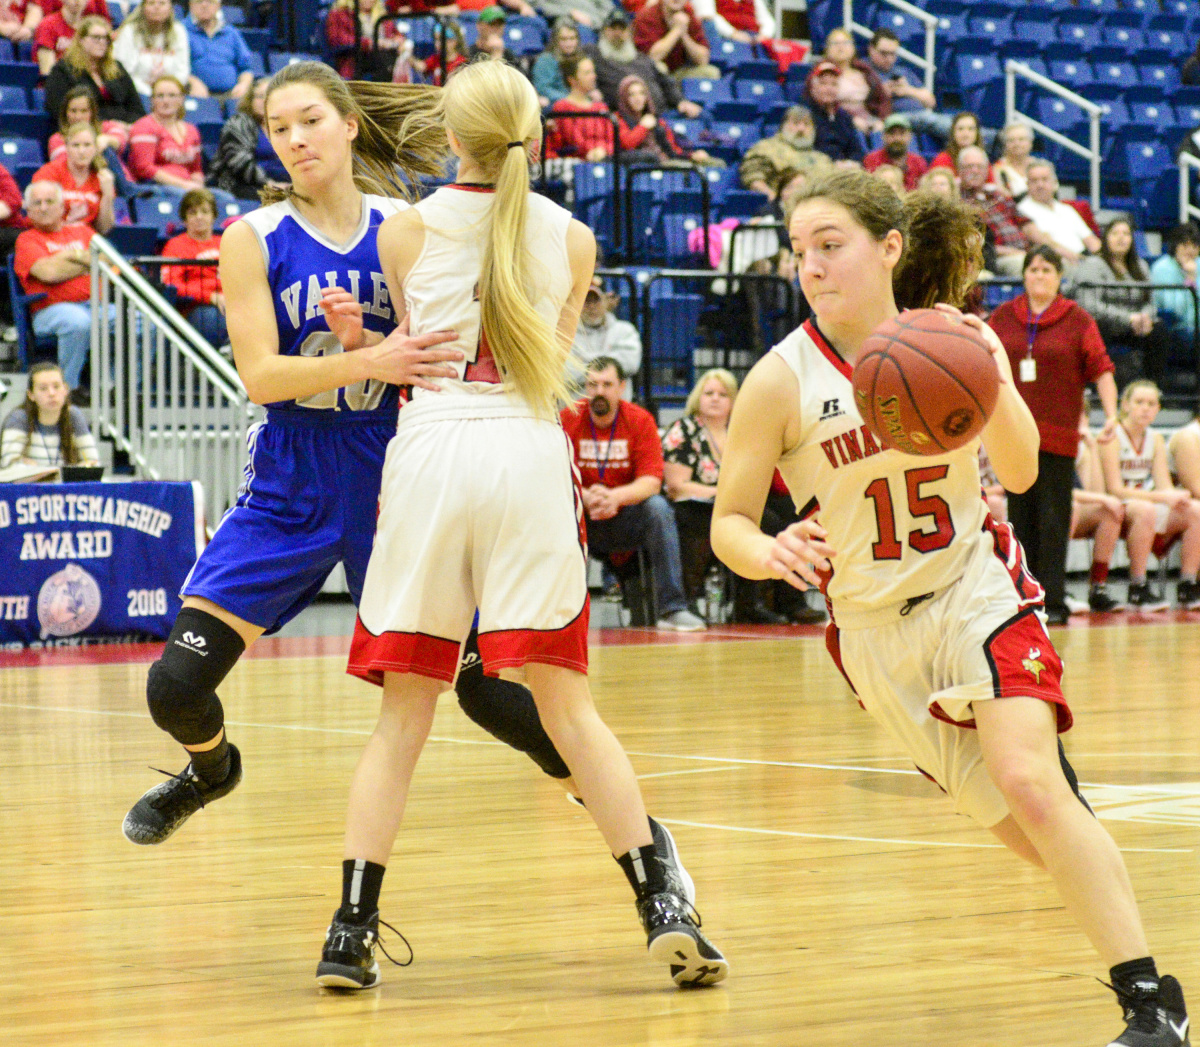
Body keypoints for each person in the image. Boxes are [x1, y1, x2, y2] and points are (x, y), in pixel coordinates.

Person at [710, 167, 1191, 1047]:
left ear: (889, 247)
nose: (811, 266)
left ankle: (1150, 1005)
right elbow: (728, 523)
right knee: (1030, 830)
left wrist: (989, 374)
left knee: (1030, 784)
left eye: (831, 245)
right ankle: (1149, 969)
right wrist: (771, 550)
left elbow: (1015, 474)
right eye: (800, 251)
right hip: (873, 636)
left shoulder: (958, 342)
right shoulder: (779, 381)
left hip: (975, 586)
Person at [340, 59, 726, 989]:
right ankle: (660, 903)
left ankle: (350, 930)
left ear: (451, 137)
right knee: (568, 705)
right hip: (522, 450)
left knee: (403, 718)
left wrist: (358, 343)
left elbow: (409, 354)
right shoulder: (574, 236)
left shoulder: (403, 230)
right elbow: (543, 362)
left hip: (434, 449)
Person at [988, 245, 1118, 625]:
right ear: (1024, 275)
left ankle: (1054, 601)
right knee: (1019, 519)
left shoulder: (1077, 319)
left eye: (1046, 269)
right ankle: (1023, 600)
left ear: (1060, 276)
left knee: (1053, 519)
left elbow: (1101, 367)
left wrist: (1111, 414)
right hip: (1012, 435)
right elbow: (981, 356)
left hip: (1057, 437)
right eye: (1033, 269)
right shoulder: (1004, 316)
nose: (1038, 275)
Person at [562, 356, 708, 631]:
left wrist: (614, 498)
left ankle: (673, 609)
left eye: (607, 384)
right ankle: (559, 612)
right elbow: (553, 477)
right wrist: (584, 496)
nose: (600, 391)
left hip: (625, 516)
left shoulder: (639, 420)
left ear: (621, 387)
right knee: (552, 508)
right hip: (581, 515)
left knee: (658, 508)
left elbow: (652, 482)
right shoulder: (568, 417)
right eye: (593, 385)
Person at [662, 368, 788, 623]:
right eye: (709, 393)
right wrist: (719, 492)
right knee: (696, 522)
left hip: (731, 505)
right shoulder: (683, 429)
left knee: (770, 519)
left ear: (734, 401)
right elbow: (677, 486)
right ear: (698, 397)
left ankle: (750, 604)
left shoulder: (741, 430)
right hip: (693, 507)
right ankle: (687, 602)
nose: (715, 398)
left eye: (723, 394)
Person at [1099, 380, 1200, 610]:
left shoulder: (1154, 438)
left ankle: (1188, 584)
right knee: (1146, 510)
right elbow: (1114, 488)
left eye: (1151, 403)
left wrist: (1177, 495)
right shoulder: (1111, 436)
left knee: (1195, 510)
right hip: (1115, 506)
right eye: (1139, 402)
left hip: (1144, 503)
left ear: (1158, 409)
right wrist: (1162, 497)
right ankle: (1138, 586)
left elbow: (1163, 484)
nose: (1145, 408)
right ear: (1124, 405)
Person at [13, 180, 98, 397]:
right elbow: (49, 273)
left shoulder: (83, 232)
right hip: (50, 311)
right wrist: (85, 264)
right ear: (28, 210)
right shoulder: (26, 240)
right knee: (78, 321)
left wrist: (69, 256)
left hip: (96, 305)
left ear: (62, 207)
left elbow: (108, 260)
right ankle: (68, 389)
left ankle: (115, 386)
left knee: (139, 321)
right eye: (37, 203)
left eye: (49, 201)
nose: (43, 207)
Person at [1070, 215, 1166, 388]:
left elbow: (1149, 300)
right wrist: (1128, 318)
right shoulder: (1093, 264)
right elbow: (1089, 306)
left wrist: (1145, 317)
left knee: (1159, 330)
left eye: (1126, 234)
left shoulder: (1140, 266)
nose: (1121, 238)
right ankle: (1095, 387)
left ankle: (1152, 388)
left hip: (1134, 326)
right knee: (1094, 329)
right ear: (1105, 239)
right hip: (1103, 324)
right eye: (1115, 233)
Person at [43, 15, 145, 138]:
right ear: (81, 39)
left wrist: (124, 125)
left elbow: (137, 109)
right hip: (83, 133)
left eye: (106, 38)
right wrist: (107, 125)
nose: (102, 42)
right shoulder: (63, 71)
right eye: (96, 38)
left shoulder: (117, 68)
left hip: (124, 130)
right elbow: (60, 111)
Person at [587, 9, 702, 118]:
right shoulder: (594, 55)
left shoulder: (642, 59)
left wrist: (680, 101)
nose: (617, 33)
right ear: (604, 31)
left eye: (622, 29)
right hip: (621, 119)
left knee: (702, 115)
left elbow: (666, 82)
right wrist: (591, 90)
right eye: (613, 28)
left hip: (659, 115)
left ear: (629, 32)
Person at [1069, 412, 1126, 613]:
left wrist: (1092, 448)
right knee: (1070, 508)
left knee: (1108, 512)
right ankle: (1055, 586)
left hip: (1069, 507)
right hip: (1032, 509)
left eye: (1083, 417)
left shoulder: (1081, 447)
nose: (1079, 422)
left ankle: (1098, 588)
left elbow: (1092, 492)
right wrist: (1103, 498)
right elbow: (1058, 492)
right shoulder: (1046, 442)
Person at [0, 360, 100, 469]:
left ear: (65, 390)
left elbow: (93, 462)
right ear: (31, 395)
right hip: (30, 485)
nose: (51, 393)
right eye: (43, 389)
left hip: (64, 485)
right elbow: (9, 466)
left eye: (56, 387)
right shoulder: (19, 418)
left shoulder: (73, 415)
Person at [161, 187, 225, 347]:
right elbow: (172, 284)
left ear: (214, 216)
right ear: (184, 219)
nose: (199, 217)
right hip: (195, 308)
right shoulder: (175, 245)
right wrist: (210, 297)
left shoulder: (226, 242)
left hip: (232, 302)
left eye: (205, 211)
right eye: (193, 213)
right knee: (212, 319)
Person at [957, 144, 1032, 278]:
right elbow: (981, 247)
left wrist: (1052, 247)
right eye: (969, 166)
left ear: (987, 171)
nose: (975, 171)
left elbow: (1027, 225)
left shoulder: (998, 196)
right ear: (959, 170)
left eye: (979, 167)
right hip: (996, 258)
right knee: (1027, 265)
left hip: (1025, 253)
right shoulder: (958, 201)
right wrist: (1015, 253)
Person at [864, 27, 950, 142]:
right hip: (892, 117)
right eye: (884, 53)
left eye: (893, 54)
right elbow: (858, 102)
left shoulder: (903, 71)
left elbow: (931, 101)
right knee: (930, 120)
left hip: (919, 117)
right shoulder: (863, 70)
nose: (889, 59)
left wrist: (907, 90)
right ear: (871, 49)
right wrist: (881, 92)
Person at [209, 75, 288, 200]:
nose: (265, 101)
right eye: (260, 97)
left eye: (270, 97)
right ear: (250, 99)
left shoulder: (285, 125)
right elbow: (239, 162)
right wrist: (270, 185)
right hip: (243, 184)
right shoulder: (239, 123)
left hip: (282, 183)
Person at [127, 74, 206, 198]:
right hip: (157, 186)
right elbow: (144, 168)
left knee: (224, 199)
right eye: (160, 96)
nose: (166, 101)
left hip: (188, 186)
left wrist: (198, 185)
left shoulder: (191, 130)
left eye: (172, 95)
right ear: (152, 100)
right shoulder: (144, 126)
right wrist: (183, 185)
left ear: (181, 99)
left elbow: (196, 169)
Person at [32, 121, 116, 232]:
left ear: (95, 148)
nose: (81, 151)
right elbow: (39, 217)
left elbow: (103, 229)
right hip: (51, 235)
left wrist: (107, 195)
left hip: (86, 239)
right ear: (66, 147)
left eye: (87, 145)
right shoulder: (48, 173)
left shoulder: (102, 178)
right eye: (76, 145)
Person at [615, 73, 716, 165]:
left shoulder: (656, 119)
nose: (638, 98)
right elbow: (627, 144)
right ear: (624, 98)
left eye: (642, 93)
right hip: (643, 167)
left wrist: (691, 155)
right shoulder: (618, 119)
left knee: (715, 163)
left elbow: (672, 149)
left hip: (665, 161)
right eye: (631, 94)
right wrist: (643, 127)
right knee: (685, 168)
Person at [1017, 160, 1102, 268]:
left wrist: (1105, 257)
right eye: (1034, 181)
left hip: (1084, 259)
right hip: (1055, 261)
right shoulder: (1022, 210)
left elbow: (1090, 240)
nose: (1040, 185)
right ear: (1027, 184)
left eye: (1045, 179)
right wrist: (1078, 259)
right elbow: (1044, 243)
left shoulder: (1066, 209)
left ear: (1054, 183)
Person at [739, 105, 832, 199]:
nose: (801, 129)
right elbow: (754, 180)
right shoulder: (766, 148)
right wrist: (775, 202)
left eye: (807, 124)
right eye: (796, 123)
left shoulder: (822, 159)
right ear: (783, 125)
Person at [567, 276, 641, 394]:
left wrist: (584, 361)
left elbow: (630, 364)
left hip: (617, 410)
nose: (591, 306)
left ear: (607, 301)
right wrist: (609, 363)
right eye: (586, 301)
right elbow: (565, 373)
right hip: (575, 409)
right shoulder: (566, 333)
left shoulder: (624, 330)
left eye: (596, 300)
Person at [112, 0, 191, 96]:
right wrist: (151, 93)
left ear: (170, 8)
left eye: (162, 3)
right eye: (151, 3)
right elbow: (125, 73)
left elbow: (182, 72)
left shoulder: (178, 31)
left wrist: (166, 92)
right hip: (136, 93)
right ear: (143, 8)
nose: (156, 7)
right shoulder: (129, 31)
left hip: (171, 93)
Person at [820, 26, 887, 135]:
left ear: (853, 48)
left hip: (868, 117)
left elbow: (881, 99)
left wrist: (882, 120)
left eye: (846, 43)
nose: (841, 47)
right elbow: (823, 104)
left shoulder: (865, 72)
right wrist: (850, 120)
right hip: (838, 120)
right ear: (827, 49)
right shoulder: (823, 72)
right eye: (835, 43)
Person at [184, 0, 256, 100]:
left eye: (210, 2)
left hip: (231, 95)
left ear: (218, 5)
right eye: (199, 1)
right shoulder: (180, 31)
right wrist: (192, 82)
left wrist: (243, 85)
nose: (204, 5)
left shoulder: (231, 33)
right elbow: (174, 68)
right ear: (190, 5)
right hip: (192, 94)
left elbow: (246, 68)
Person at [1149, 222, 1199, 367]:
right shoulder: (1162, 268)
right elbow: (1175, 310)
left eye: (1195, 246)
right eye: (1185, 245)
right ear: (1175, 245)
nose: (1190, 251)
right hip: (1175, 328)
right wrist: (1190, 279)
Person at [546, 53, 612, 161]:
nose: (593, 76)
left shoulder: (601, 107)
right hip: (578, 162)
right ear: (572, 80)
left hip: (606, 158)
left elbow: (612, 140)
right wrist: (595, 151)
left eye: (593, 72)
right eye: (587, 73)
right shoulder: (562, 107)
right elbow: (575, 141)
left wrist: (603, 151)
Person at [633, 0, 718, 82]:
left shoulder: (689, 13)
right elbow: (653, 57)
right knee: (660, 68)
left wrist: (684, 35)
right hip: (648, 74)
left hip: (679, 71)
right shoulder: (647, 15)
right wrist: (676, 30)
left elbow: (703, 59)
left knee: (711, 72)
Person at [48, 84, 128, 166]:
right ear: (65, 113)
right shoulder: (57, 139)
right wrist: (94, 147)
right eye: (73, 111)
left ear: (92, 112)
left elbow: (121, 139)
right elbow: (65, 164)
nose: (78, 117)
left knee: (107, 149)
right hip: (84, 176)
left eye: (84, 111)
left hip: (119, 175)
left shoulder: (105, 127)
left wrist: (106, 139)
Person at [324, 0, 401, 82]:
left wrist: (399, 40)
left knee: (400, 55)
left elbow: (396, 34)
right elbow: (338, 39)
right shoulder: (339, 14)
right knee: (385, 60)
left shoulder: (382, 14)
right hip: (355, 59)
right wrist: (369, 43)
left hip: (385, 55)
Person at [805, 61, 865, 165]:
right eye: (823, 83)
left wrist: (850, 164)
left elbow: (857, 150)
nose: (829, 89)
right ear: (812, 88)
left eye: (834, 84)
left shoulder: (844, 117)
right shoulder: (805, 115)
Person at [861, 113, 926, 191]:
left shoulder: (918, 162)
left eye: (902, 134)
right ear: (883, 136)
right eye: (892, 133)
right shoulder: (872, 160)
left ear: (910, 136)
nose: (897, 138)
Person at [531, 16, 581, 108]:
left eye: (572, 38)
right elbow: (543, 89)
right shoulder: (545, 60)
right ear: (555, 40)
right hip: (556, 105)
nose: (569, 44)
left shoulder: (582, 59)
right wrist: (570, 99)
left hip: (578, 102)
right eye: (564, 39)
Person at [36, 0, 89, 75]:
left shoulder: (89, 29)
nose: (77, 1)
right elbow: (48, 71)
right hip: (58, 81)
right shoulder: (48, 25)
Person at [992, 121, 1036, 201]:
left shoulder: (1040, 166)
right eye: (1011, 140)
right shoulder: (998, 169)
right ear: (1005, 144)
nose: (1017, 144)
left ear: (1030, 142)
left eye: (1021, 139)